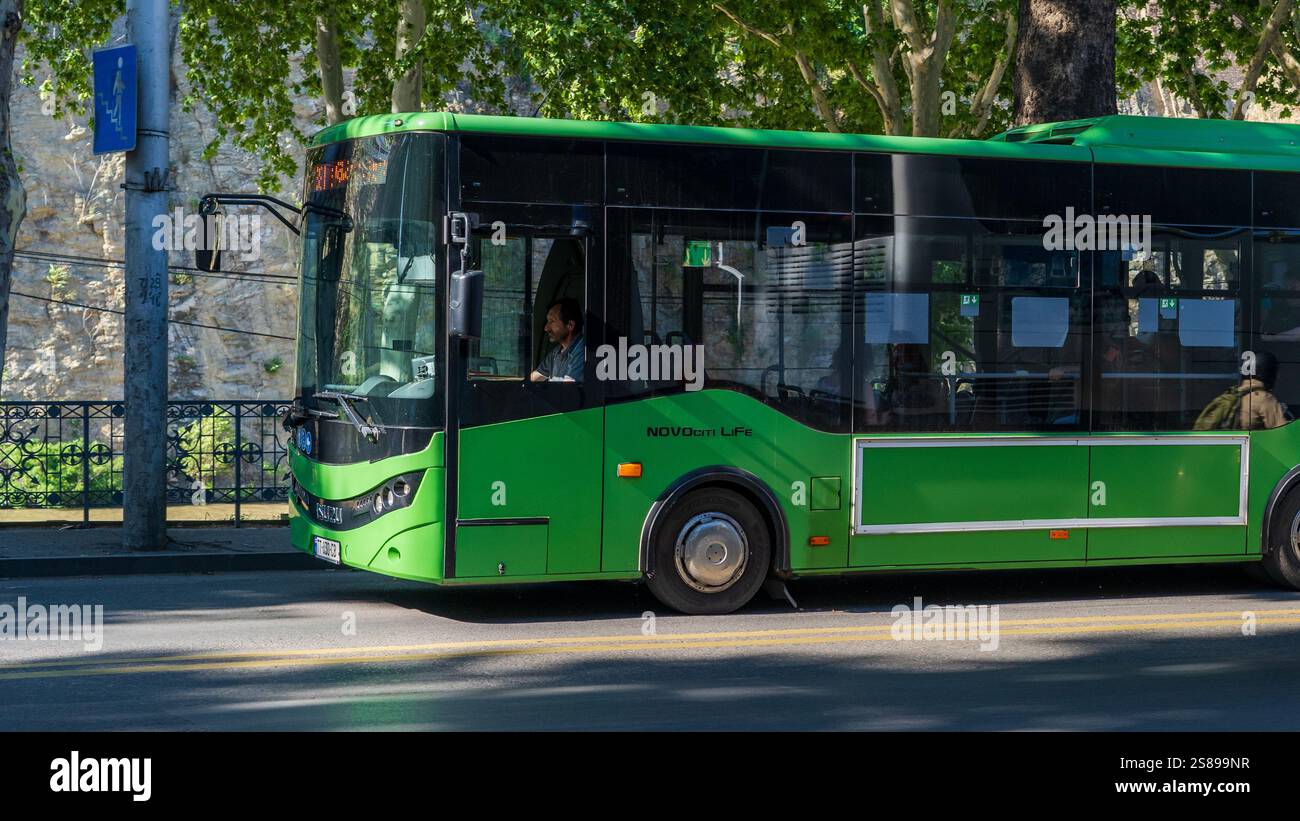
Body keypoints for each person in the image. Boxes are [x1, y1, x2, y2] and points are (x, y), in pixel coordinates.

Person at [1195, 350, 1292, 430]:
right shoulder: (1264, 398)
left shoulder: (1232, 394)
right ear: (1267, 373)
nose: (1278, 377)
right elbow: (1282, 432)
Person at [531, 297, 585, 383]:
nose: (546, 328)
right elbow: (534, 378)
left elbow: (568, 390)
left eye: (552, 321)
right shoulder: (556, 353)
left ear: (570, 325)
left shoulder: (582, 352)